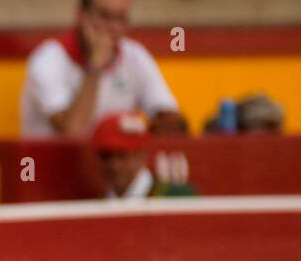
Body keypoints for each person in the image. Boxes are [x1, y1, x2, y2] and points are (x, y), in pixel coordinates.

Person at [20, 0, 184, 138]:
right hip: (51, 170)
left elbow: (172, 122)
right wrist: (95, 67)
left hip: (112, 172)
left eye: (121, 19)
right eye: (105, 17)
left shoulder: (135, 55)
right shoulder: (48, 60)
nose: (114, 27)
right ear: (81, 15)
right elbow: (73, 134)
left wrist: (141, 129)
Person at [92, 111, 196, 199]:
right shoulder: (96, 204)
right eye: (106, 156)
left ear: (141, 155)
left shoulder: (176, 197)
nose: (114, 165)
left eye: (122, 155)